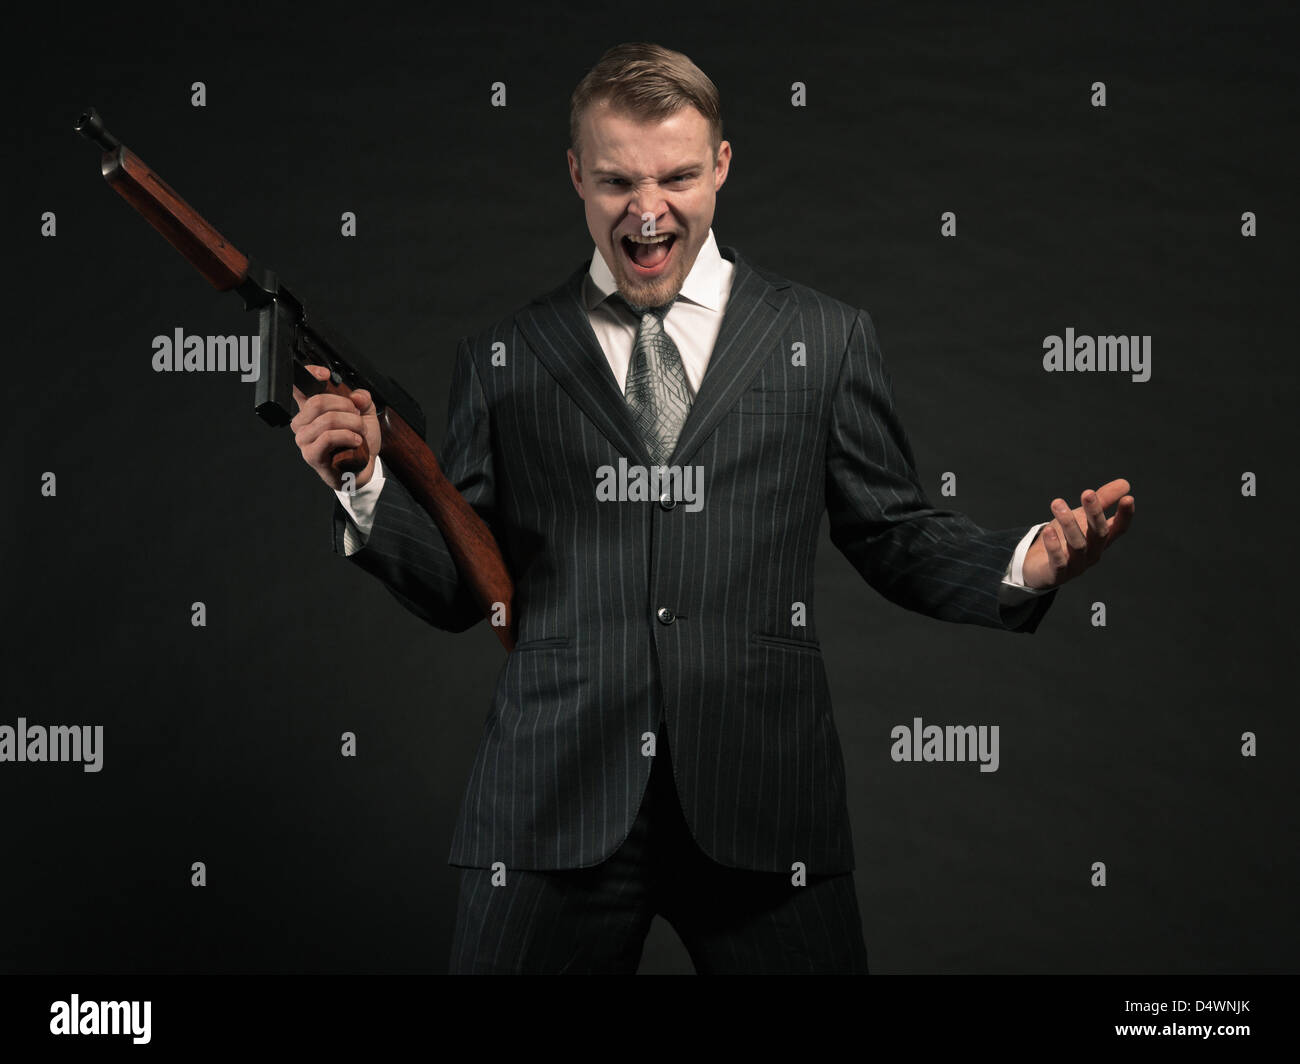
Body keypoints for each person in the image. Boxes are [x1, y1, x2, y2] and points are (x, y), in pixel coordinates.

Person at [290, 42, 1135, 974]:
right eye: (616, 180)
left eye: (678, 177)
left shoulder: (824, 336)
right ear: (576, 174)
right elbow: (464, 585)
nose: (647, 210)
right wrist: (364, 485)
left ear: (722, 167)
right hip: (551, 801)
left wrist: (1028, 563)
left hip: (766, 802)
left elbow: (893, 531)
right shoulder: (506, 356)